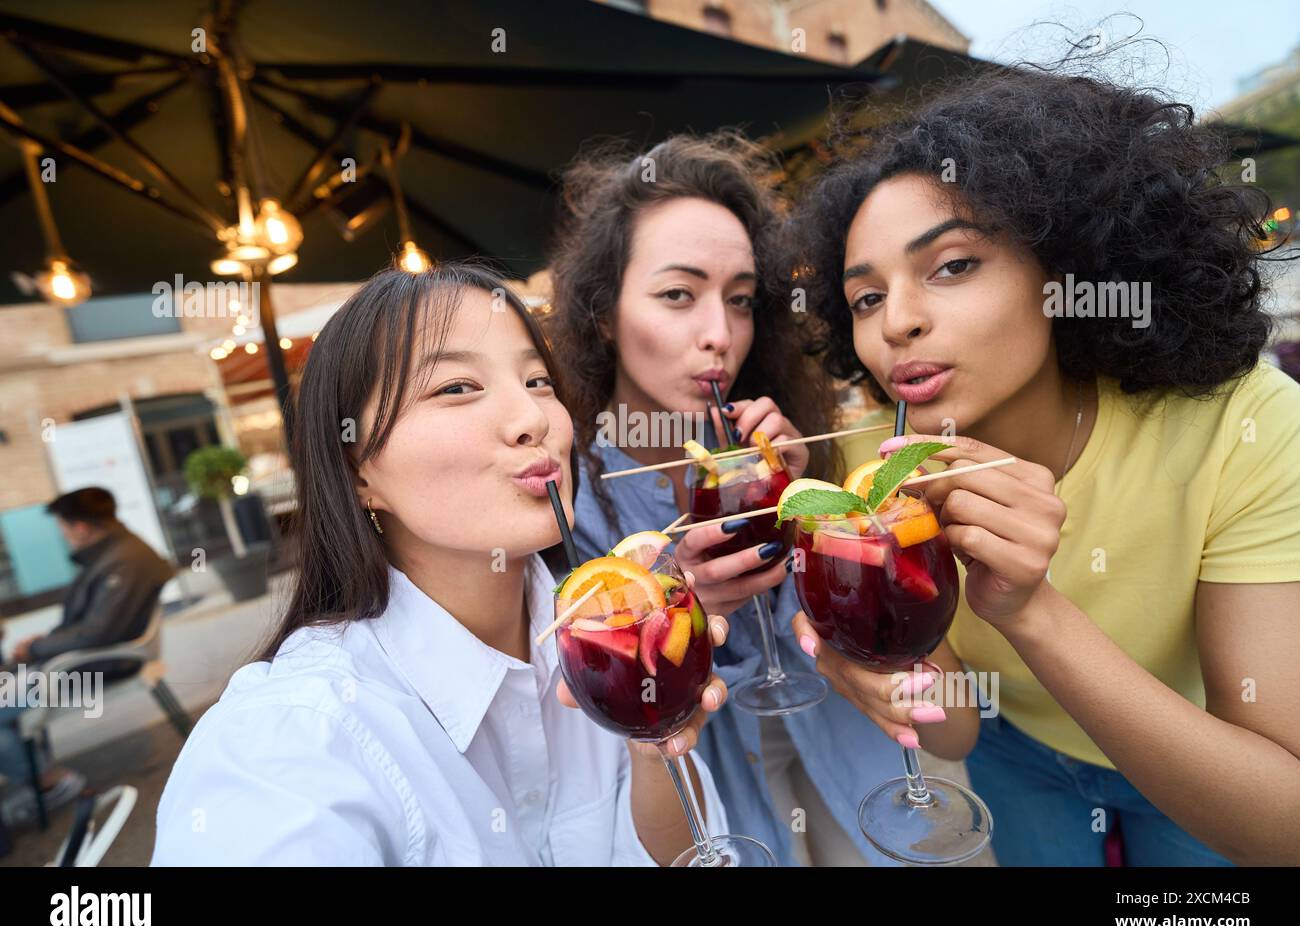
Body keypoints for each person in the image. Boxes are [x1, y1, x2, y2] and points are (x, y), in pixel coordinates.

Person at [787, 62, 1300, 865]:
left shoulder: (1243, 425)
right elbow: (955, 723)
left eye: (952, 265)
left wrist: (1030, 609)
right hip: (1014, 752)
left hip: (1201, 752)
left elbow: (1284, 827)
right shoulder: (871, 476)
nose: (898, 325)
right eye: (867, 298)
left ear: (1065, 272)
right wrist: (876, 670)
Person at [151, 263, 732, 866]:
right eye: (456, 387)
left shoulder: (604, 632)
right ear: (356, 472)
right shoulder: (284, 747)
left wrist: (651, 736)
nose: (534, 420)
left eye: (538, 381)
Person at [548, 133, 902, 866]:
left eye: (740, 301)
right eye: (678, 295)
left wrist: (814, 517)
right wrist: (683, 599)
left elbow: (869, 629)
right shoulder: (566, 498)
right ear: (604, 313)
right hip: (714, 797)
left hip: (856, 765)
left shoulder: (781, 449)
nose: (720, 336)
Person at [1, 487, 173, 815]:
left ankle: (53, 782)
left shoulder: (123, 561)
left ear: (80, 528)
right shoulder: (119, 554)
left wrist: (37, 648)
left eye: (63, 529)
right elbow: (93, 626)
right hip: (80, 661)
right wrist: (40, 646)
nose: (64, 537)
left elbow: (98, 632)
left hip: (93, 667)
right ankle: (43, 779)